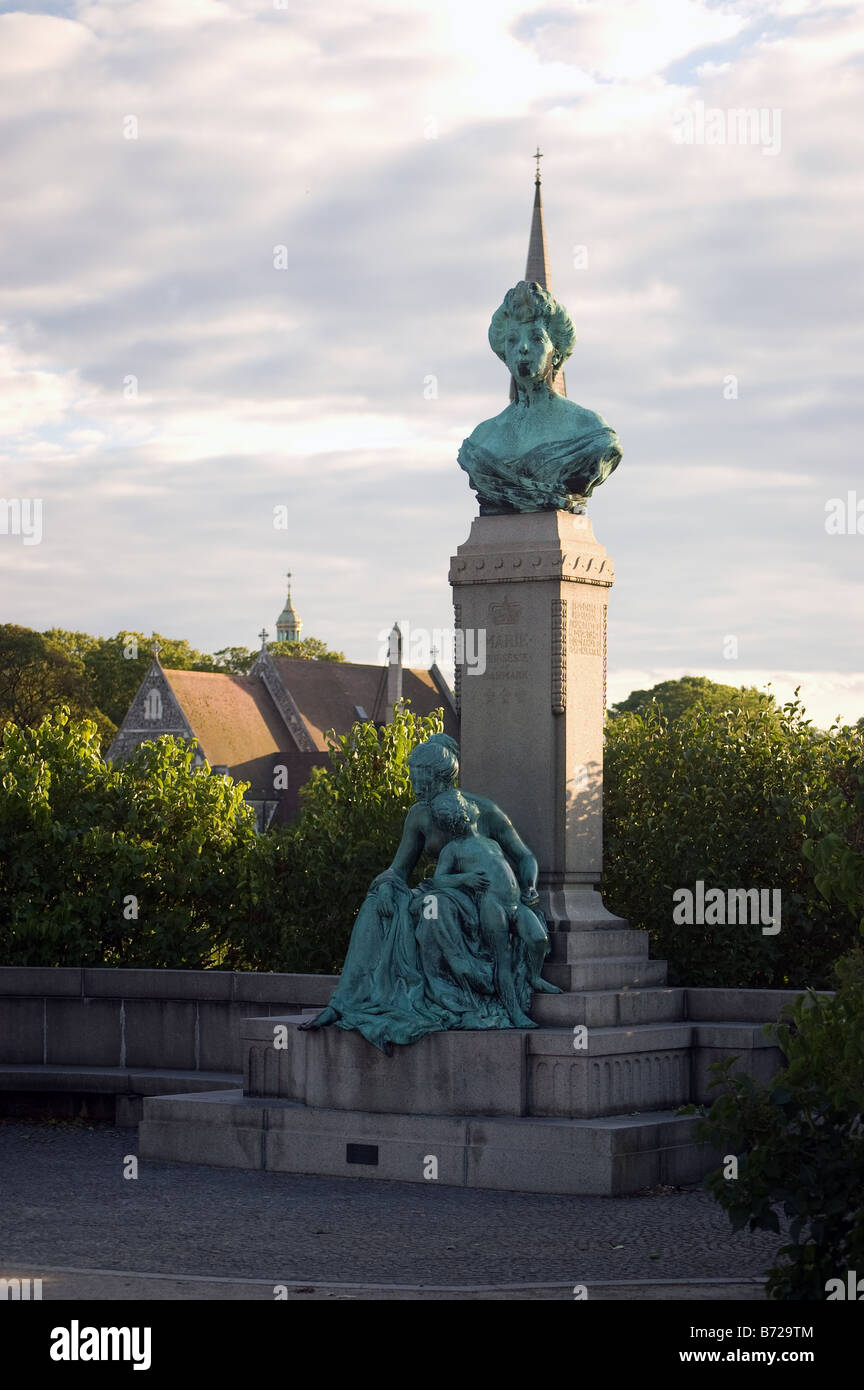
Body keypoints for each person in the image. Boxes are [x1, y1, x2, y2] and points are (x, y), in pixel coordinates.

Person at [300, 733, 558, 1052]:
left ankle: (453, 995)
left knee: (434, 908)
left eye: (420, 781)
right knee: (376, 905)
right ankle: (344, 1001)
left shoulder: (483, 811)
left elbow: (524, 855)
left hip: (482, 903)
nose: (415, 788)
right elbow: (400, 868)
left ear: (439, 777)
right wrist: (384, 886)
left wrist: (530, 886)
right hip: (445, 886)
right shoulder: (419, 815)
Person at [425, 788, 557, 1028]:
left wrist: (530, 887)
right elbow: (438, 879)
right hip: (491, 905)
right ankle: (515, 1012)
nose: (473, 807)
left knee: (539, 939)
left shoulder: (491, 842)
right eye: (466, 806)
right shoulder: (453, 849)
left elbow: (519, 861)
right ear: (459, 816)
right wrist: (464, 879)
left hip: (515, 902)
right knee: (502, 959)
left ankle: (534, 976)